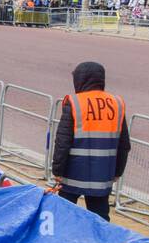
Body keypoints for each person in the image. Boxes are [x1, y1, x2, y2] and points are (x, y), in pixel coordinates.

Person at [52, 61, 130, 220]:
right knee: (100, 220)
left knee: (64, 217)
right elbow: (124, 145)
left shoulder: (74, 102)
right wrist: (117, 172)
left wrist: (57, 170)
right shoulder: (117, 104)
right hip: (102, 175)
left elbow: (62, 142)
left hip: (72, 174)